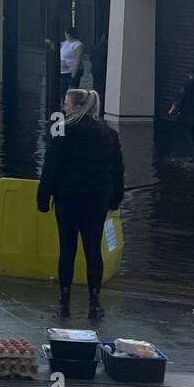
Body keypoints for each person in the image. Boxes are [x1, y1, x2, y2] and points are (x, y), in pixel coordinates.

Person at [37, 88, 125, 320]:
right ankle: (94, 302)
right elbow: (117, 170)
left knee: (67, 248)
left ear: (77, 106)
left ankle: (64, 300)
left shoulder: (62, 132)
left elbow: (51, 169)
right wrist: (115, 199)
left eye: (66, 104)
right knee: (93, 249)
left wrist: (43, 198)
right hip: (97, 199)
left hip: (68, 198)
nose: (64, 108)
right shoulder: (108, 134)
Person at [58, 27, 84, 95]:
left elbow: (77, 59)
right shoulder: (65, 43)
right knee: (63, 92)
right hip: (63, 72)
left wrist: (73, 76)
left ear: (69, 34)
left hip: (71, 72)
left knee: (71, 92)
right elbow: (56, 45)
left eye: (66, 34)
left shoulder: (78, 44)